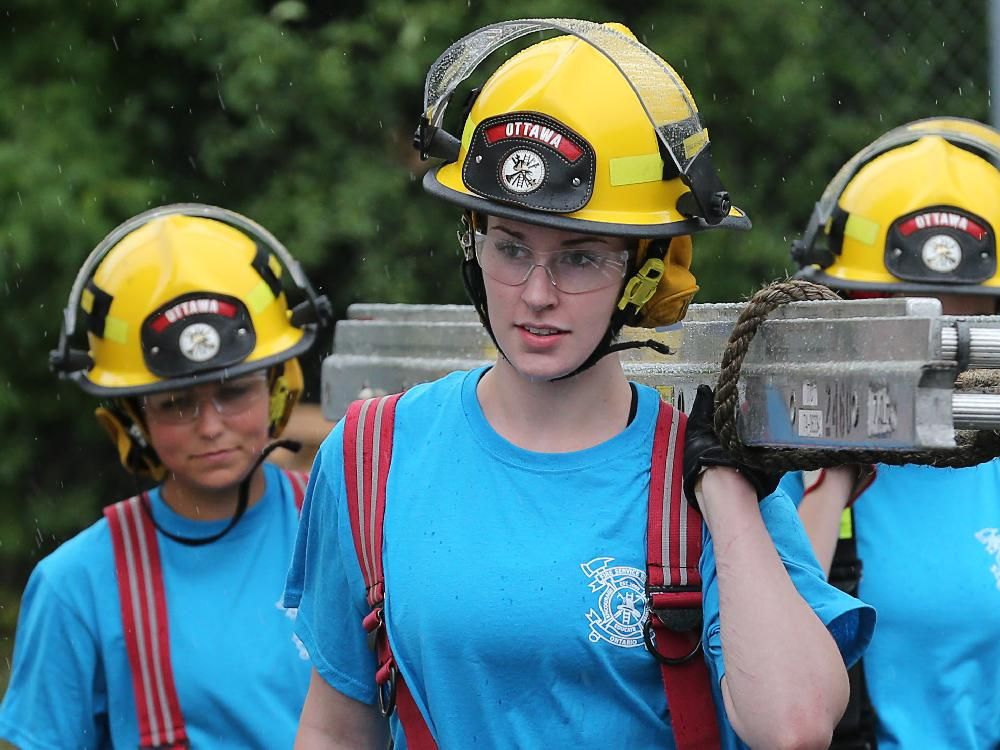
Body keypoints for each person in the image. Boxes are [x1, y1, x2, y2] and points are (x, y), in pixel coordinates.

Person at [287, 19, 874, 749]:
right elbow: (336, 731)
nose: (536, 294)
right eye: (510, 247)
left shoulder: (704, 476)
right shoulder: (370, 459)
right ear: (472, 244)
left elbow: (793, 727)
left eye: (580, 257)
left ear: (648, 271)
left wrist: (724, 497)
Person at [0, 204, 331, 749]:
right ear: (131, 420)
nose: (210, 426)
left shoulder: (344, 534)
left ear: (279, 386)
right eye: (176, 403)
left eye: (233, 391)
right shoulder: (76, 586)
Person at [789, 117, 1000, 749]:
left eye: (968, 320)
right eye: (899, 310)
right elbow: (772, 678)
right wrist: (829, 475)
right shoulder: (785, 452)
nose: (935, 347)